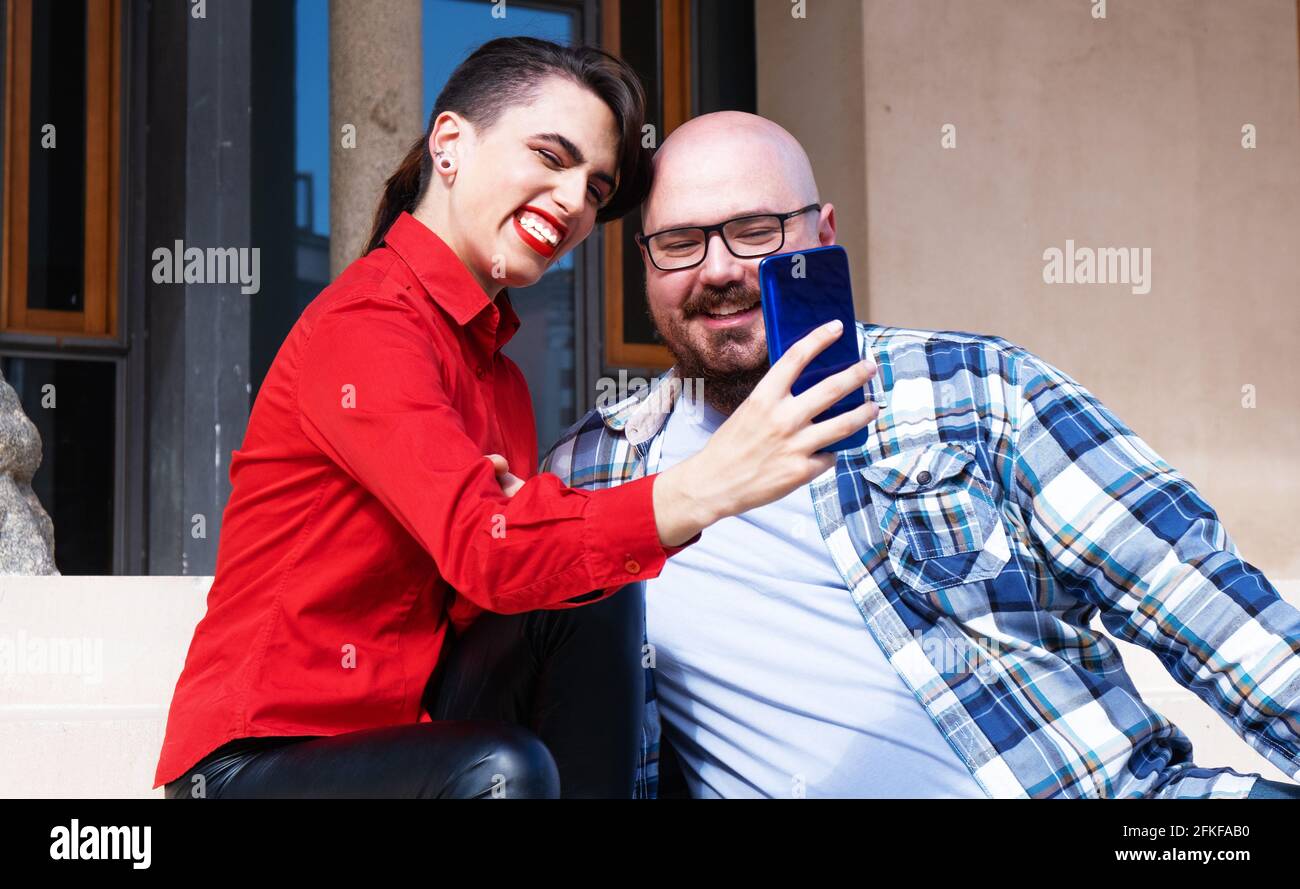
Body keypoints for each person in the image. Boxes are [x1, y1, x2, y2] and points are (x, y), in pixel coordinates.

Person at [153, 40, 876, 799]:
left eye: (595, 188)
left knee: (589, 593)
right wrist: (707, 485)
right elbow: (486, 549)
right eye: (550, 156)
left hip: (415, 737)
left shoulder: (497, 377)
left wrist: (511, 530)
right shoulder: (368, 322)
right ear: (450, 143)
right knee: (504, 772)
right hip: (258, 763)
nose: (574, 204)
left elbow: (503, 581)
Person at [540, 110, 1300, 799]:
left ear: (823, 235)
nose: (717, 269)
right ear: (644, 267)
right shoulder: (596, 473)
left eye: (756, 229)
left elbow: (1209, 604)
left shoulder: (979, 389)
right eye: (680, 243)